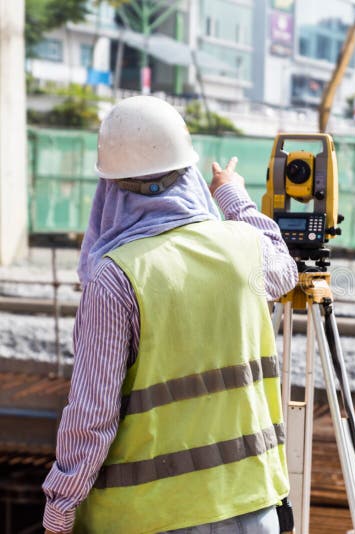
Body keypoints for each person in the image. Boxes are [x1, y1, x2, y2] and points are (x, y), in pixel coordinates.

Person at [41, 96, 298, 534]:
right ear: (189, 172)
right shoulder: (244, 248)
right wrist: (233, 197)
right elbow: (285, 267)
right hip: (252, 508)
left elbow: (92, 416)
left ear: (111, 187)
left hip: (148, 518)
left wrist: (60, 510)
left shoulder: (114, 279)